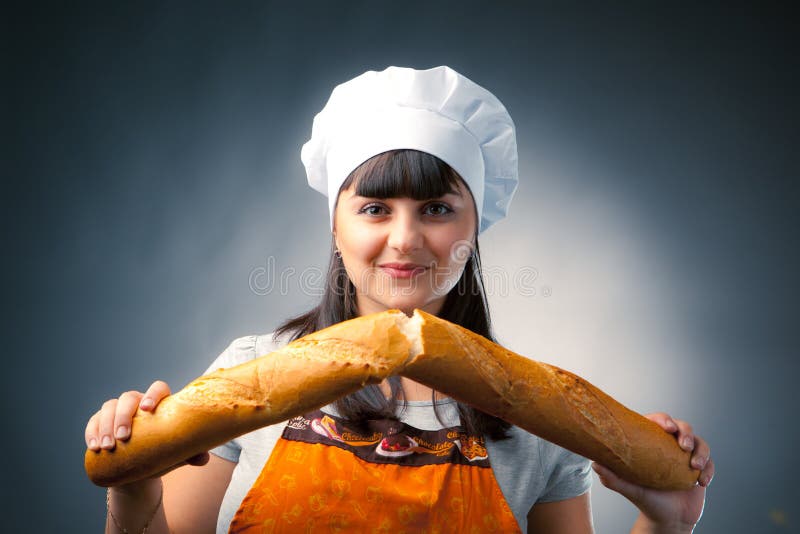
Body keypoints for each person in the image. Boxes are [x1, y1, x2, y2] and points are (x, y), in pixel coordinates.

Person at [85, 66, 714, 533]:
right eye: (375, 209)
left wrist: (668, 525)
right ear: (336, 225)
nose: (405, 240)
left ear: (473, 229)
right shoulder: (246, 376)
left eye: (437, 208)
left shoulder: (538, 421)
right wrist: (133, 495)